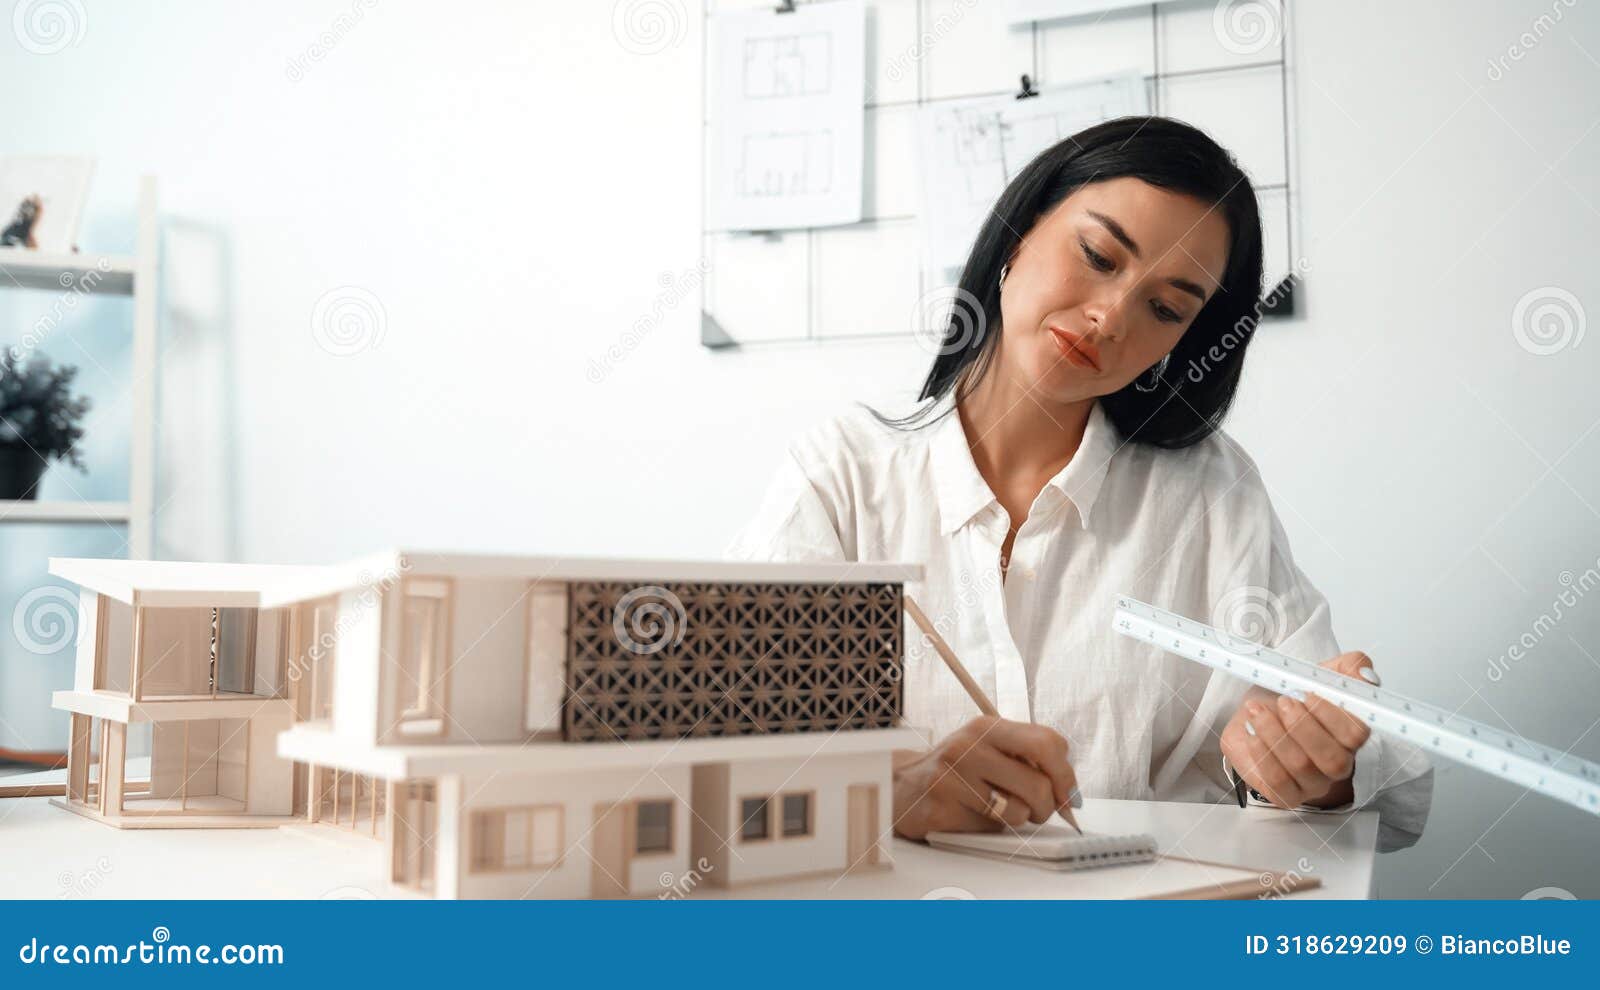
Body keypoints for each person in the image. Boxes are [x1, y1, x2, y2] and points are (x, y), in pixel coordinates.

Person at [725, 116, 1432, 853]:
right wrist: (889, 790)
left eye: (1166, 308)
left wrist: (1314, 771)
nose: (1110, 316)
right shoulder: (843, 476)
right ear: (1019, 232)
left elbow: (1398, 796)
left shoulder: (1210, 493)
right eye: (1097, 256)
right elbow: (721, 763)